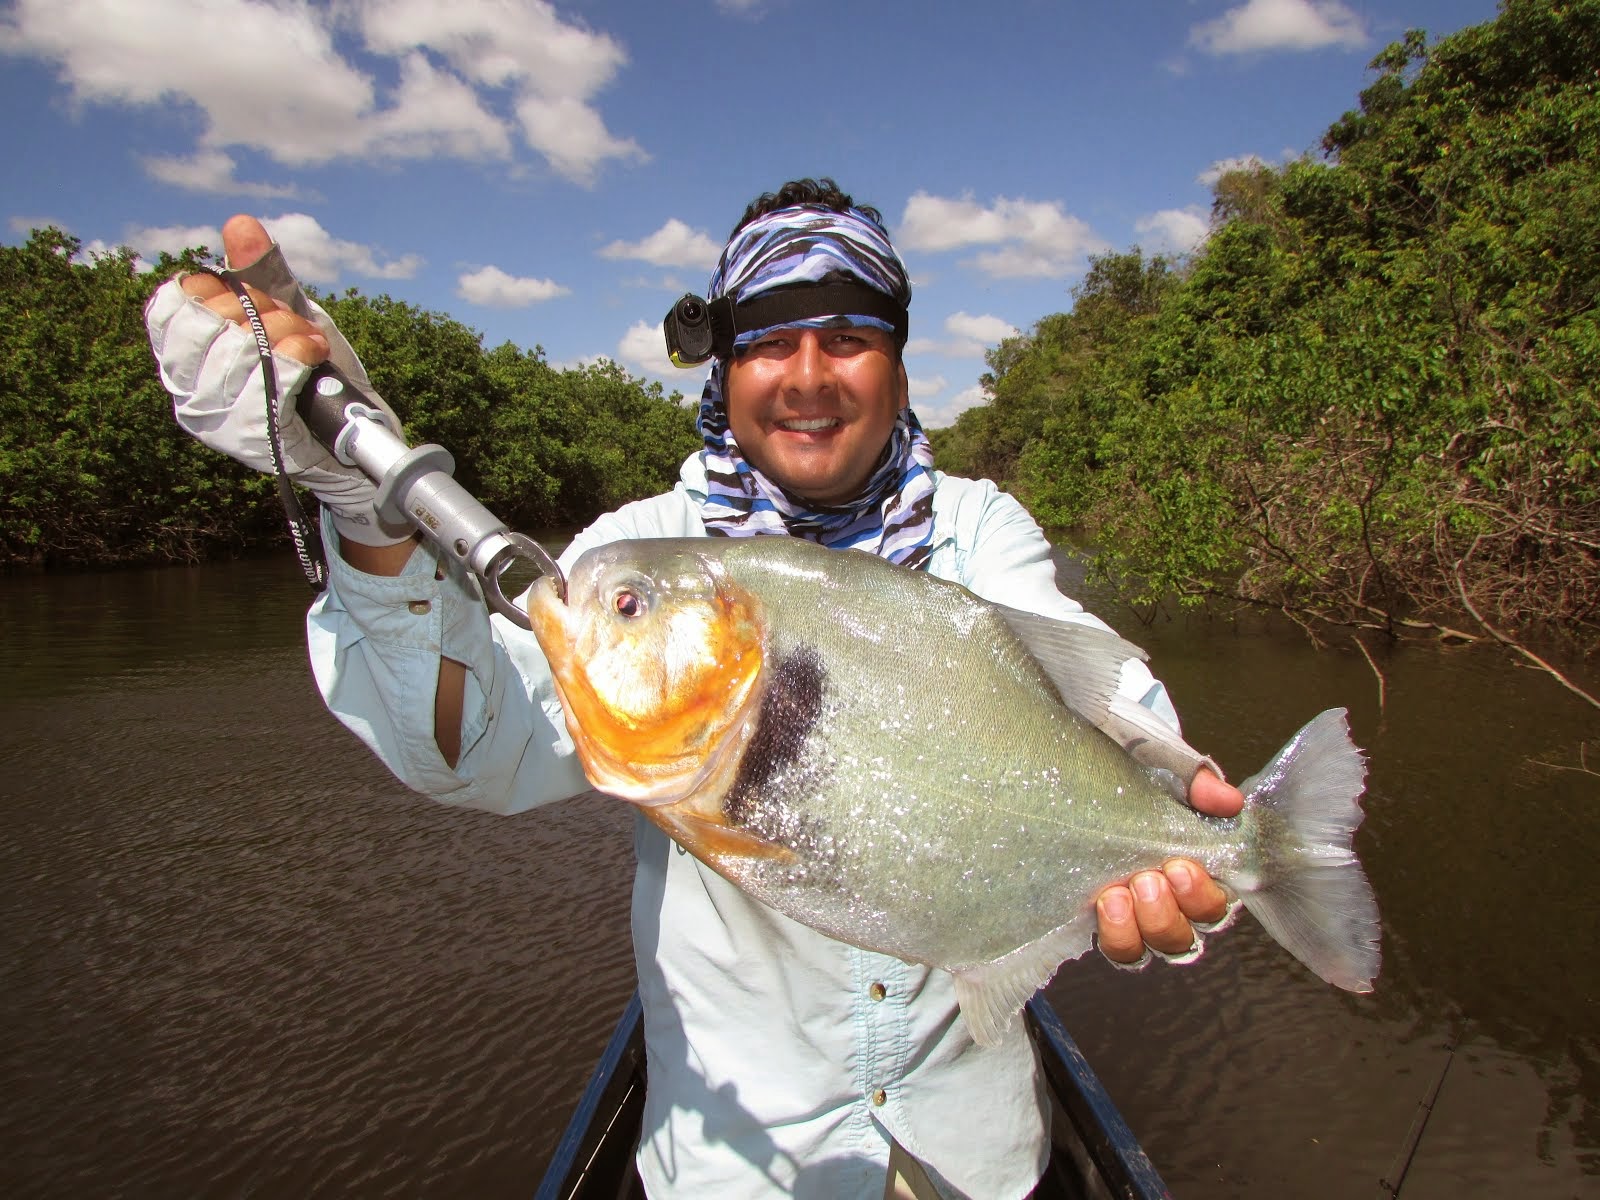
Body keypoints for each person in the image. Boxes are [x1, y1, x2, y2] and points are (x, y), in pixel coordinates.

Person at [147, 179, 1244, 1200]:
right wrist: (362, 505)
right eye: (768, 341)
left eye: (850, 337)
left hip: (972, 1157)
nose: (808, 373)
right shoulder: (641, 551)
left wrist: (1177, 811)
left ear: (899, 370)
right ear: (723, 370)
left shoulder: (979, 530)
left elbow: (1112, 696)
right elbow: (472, 751)